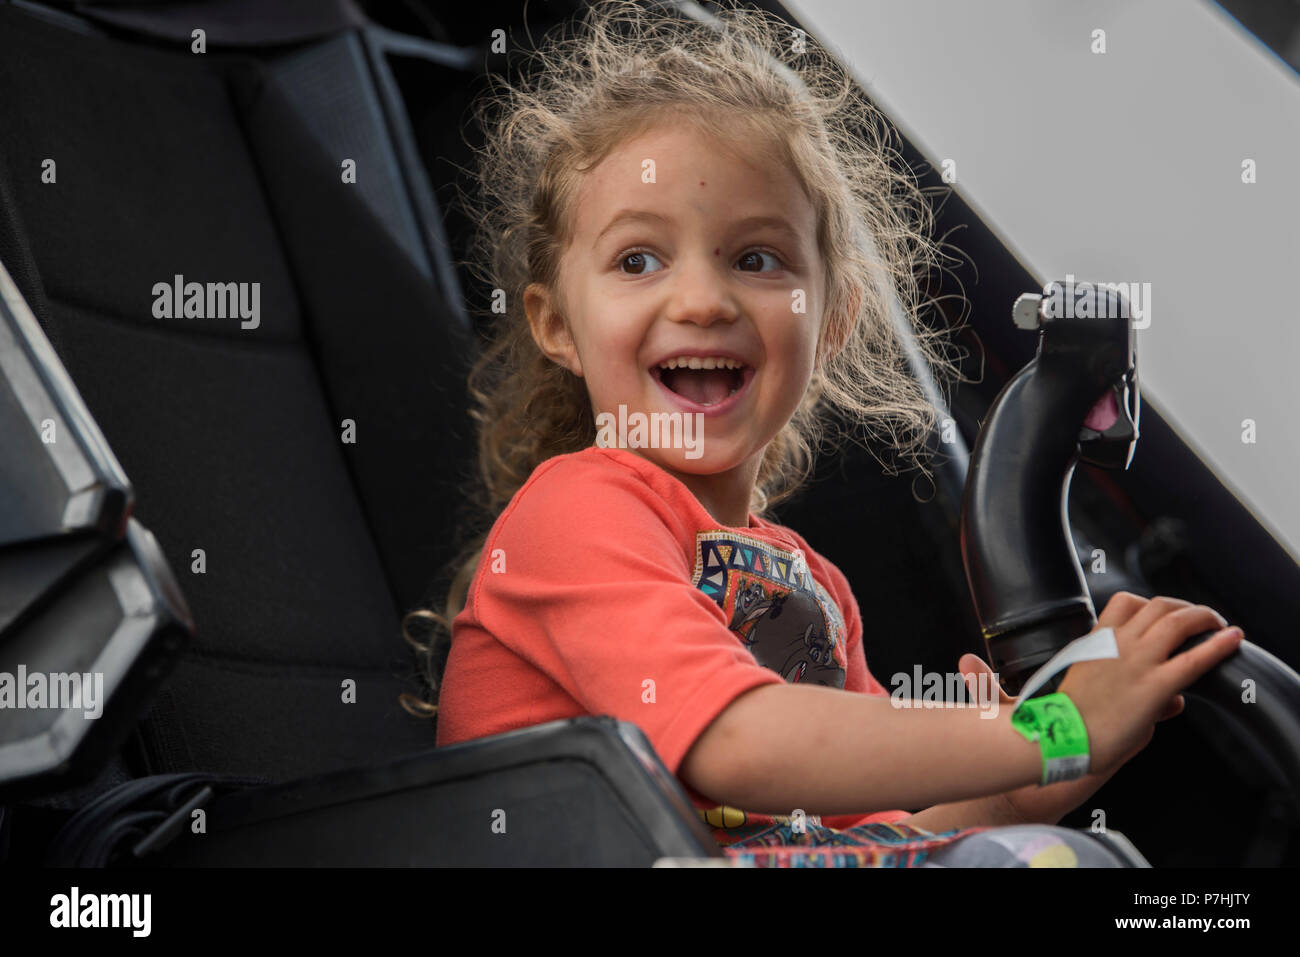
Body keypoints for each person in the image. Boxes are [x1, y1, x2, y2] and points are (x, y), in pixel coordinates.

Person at [401, 0, 1243, 867]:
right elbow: (740, 739)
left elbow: (857, 837)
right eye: (637, 260)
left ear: (832, 318)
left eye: (756, 258)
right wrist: (1049, 728)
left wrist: (1022, 778)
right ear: (557, 326)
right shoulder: (575, 516)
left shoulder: (814, 585)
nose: (701, 300)